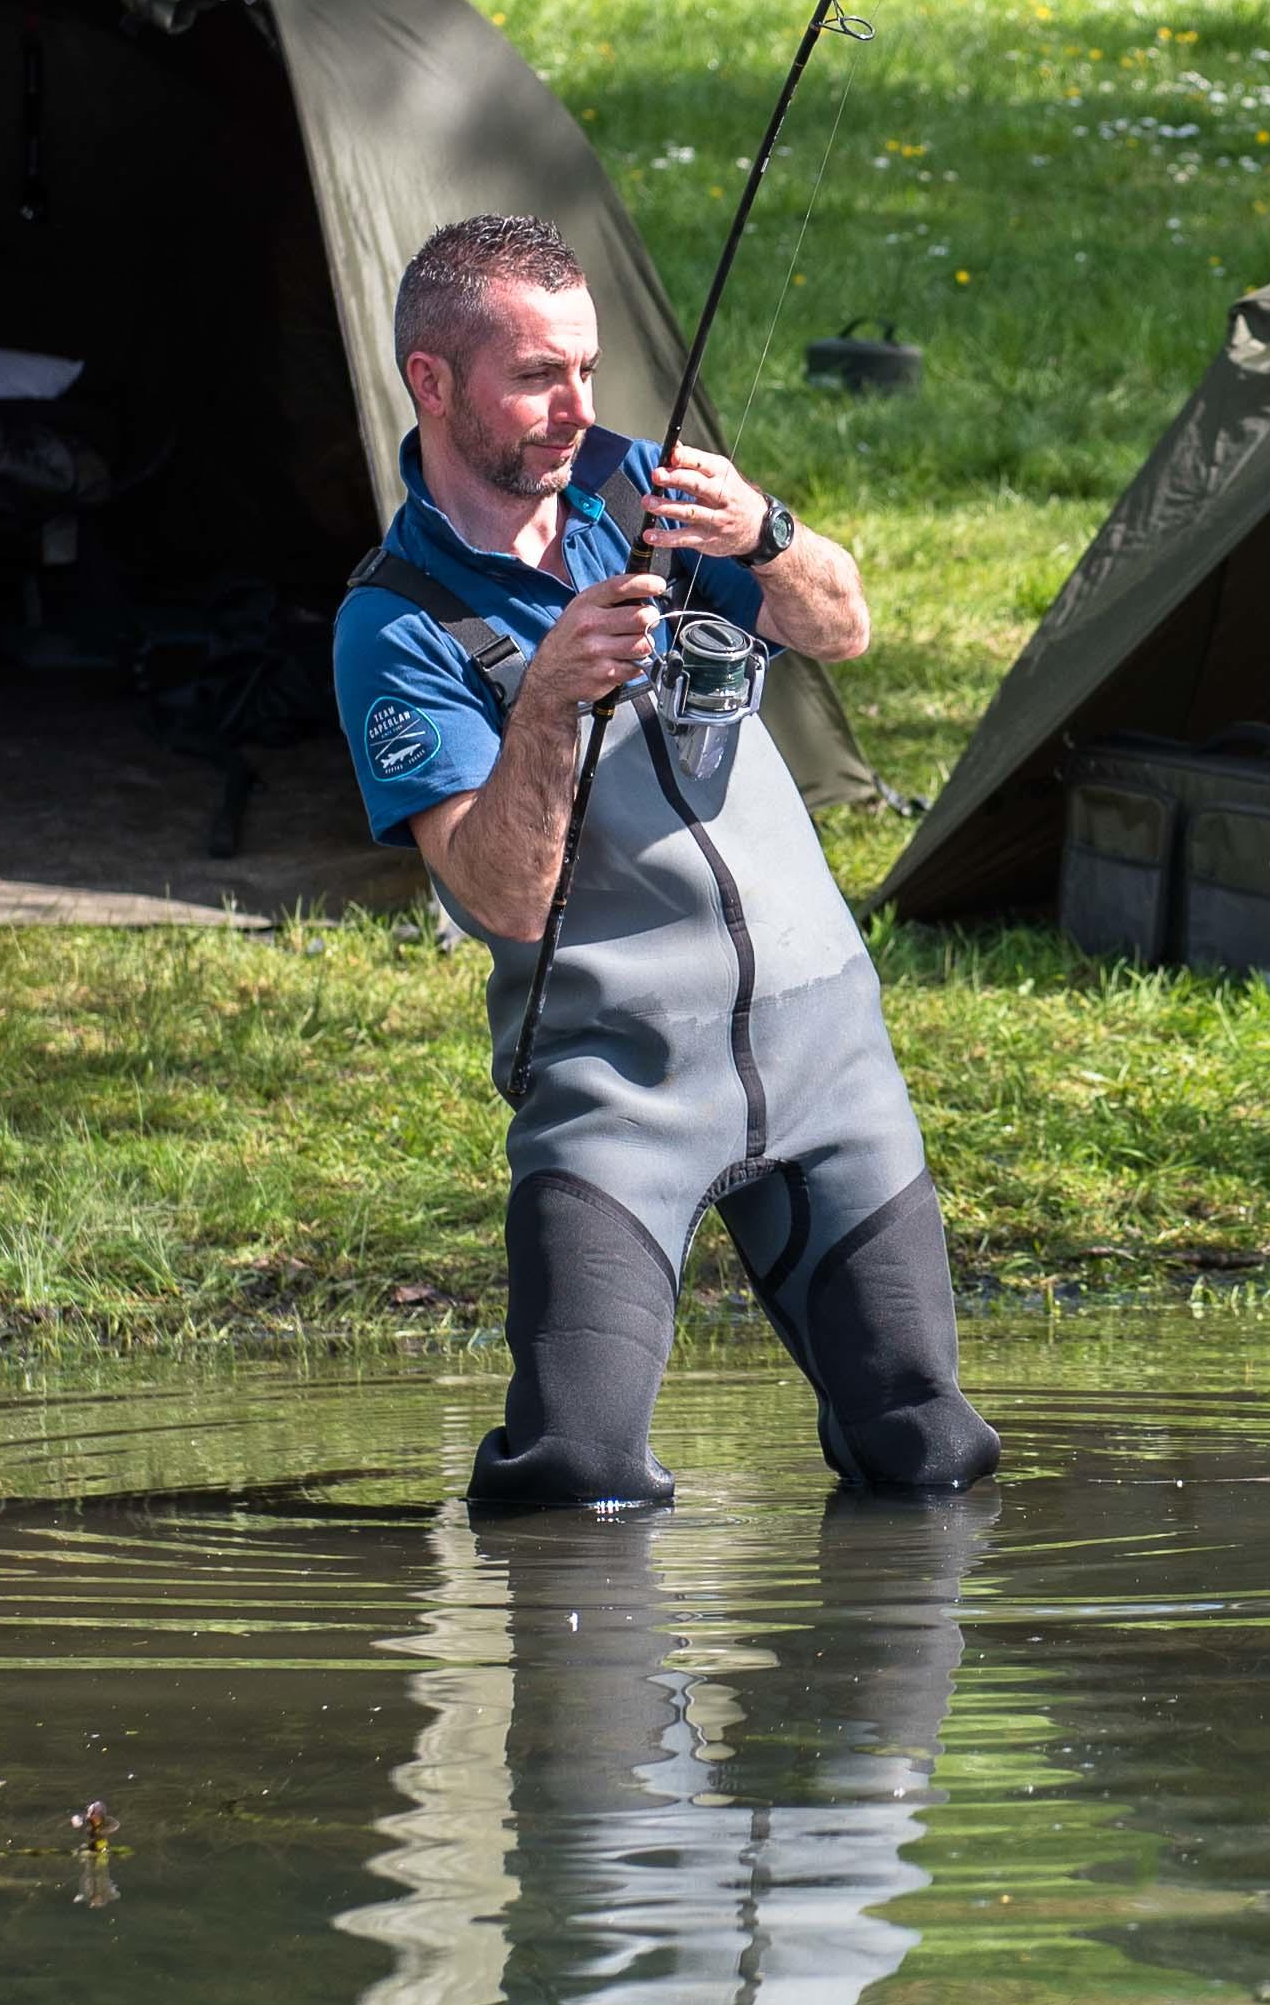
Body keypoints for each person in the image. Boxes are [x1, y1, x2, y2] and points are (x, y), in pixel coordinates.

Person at [335, 213, 999, 1508]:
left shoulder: (647, 486)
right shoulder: (396, 624)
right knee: (574, 1477)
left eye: (587, 367)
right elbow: (501, 900)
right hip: (616, 1088)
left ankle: (863, 1700)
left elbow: (844, 627)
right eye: (537, 376)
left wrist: (766, 534)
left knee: (931, 1453)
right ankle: (594, 1702)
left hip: (830, 1061)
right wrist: (543, 704)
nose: (577, 407)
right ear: (432, 381)